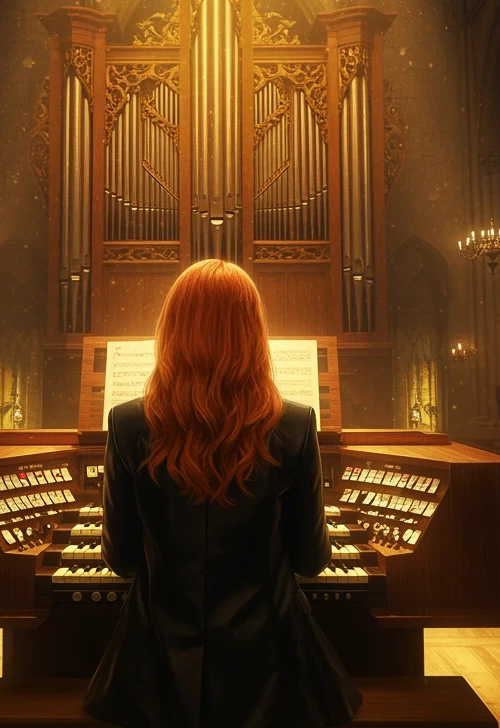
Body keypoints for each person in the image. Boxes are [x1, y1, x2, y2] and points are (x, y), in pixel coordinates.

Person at [83, 259, 362, 728]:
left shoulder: (128, 423)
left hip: (154, 671)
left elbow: (122, 559)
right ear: (253, 333)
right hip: (272, 670)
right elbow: (312, 560)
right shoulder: (294, 425)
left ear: (171, 331)